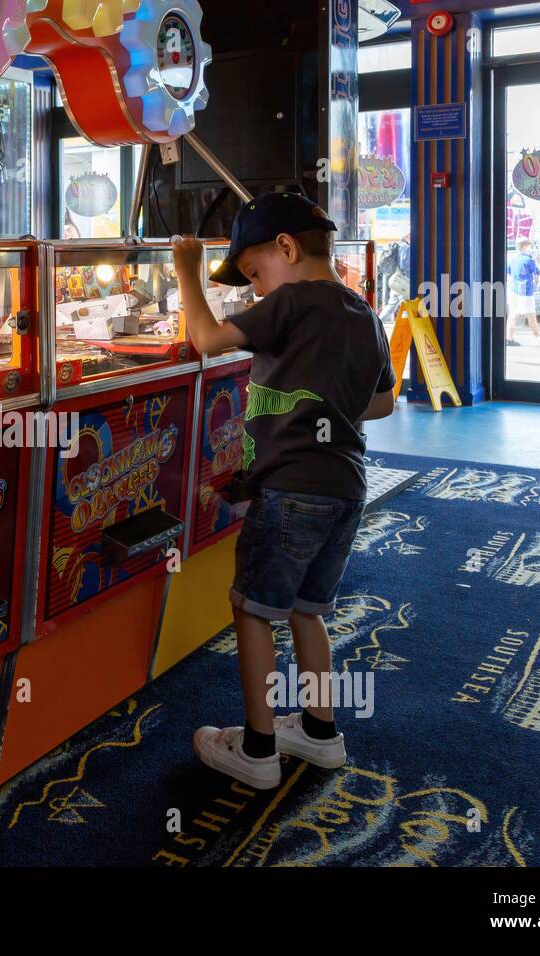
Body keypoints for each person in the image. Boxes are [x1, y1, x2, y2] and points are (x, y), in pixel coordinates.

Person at [171, 192, 397, 790]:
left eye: (254, 275)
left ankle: (259, 747)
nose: (256, 292)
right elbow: (383, 401)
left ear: (288, 249)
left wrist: (187, 274)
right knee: (308, 609)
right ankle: (321, 732)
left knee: (253, 610)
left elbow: (207, 340)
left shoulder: (292, 301)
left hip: (291, 492)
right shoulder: (364, 312)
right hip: (346, 489)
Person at [506, 238, 540, 345]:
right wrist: (538, 262)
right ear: (526, 246)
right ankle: (539, 338)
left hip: (513, 289)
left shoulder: (513, 259)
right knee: (531, 315)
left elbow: (509, 274)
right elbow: (537, 272)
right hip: (526, 290)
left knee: (513, 315)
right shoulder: (529, 260)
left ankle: (509, 338)